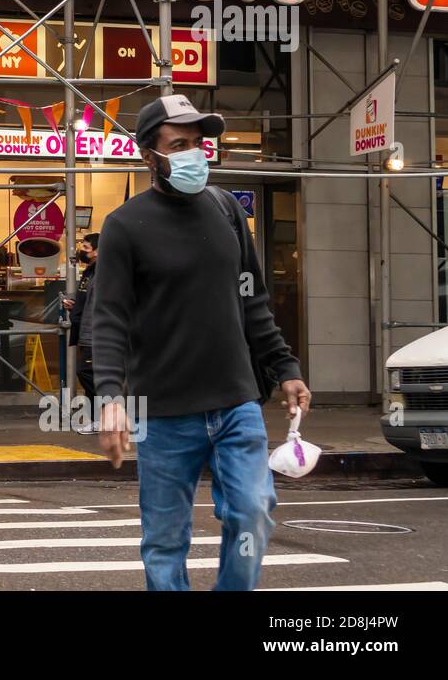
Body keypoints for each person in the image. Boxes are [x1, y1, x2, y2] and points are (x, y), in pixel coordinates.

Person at [92, 94, 311, 591]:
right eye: (180, 144)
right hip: (165, 414)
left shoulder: (227, 210)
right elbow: (107, 320)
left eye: (199, 143)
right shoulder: (124, 227)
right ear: (150, 155)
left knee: (253, 514)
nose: (195, 154)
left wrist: (286, 367)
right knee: (165, 542)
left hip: (237, 403)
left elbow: (252, 298)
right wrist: (110, 398)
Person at [66, 232, 99, 402]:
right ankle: (96, 419)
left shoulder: (100, 274)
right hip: (85, 333)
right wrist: (75, 305)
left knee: (85, 372)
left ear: (97, 252)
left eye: (86, 247)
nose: (81, 250)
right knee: (90, 374)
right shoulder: (89, 272)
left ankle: (112, 408)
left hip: (93, 335)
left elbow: (98, 305)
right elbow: (88, 300)